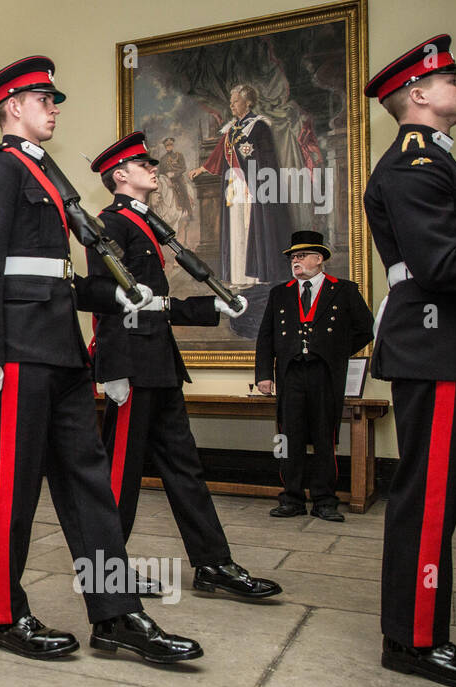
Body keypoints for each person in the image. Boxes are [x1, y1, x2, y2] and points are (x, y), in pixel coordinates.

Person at [0, 55, 200, 664]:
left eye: (54, 99)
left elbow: (55, 276)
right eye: (44, 99)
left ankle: (116, 615)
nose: (54, 107)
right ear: (12, 107)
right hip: (15, 354)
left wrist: (112, 293)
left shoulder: (45, 175)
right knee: (12, 487)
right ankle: (2, 617)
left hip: (60, 352)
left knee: (89, 485)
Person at [89, 131, 281, 601]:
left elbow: (156, 304)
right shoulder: (111, 224)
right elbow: (104, 300)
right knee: (120, 475)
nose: (153, 169)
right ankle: (105, 569)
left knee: (185, 468)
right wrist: (111, 369)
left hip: (159, 363)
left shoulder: (146, 223)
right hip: (132, 367)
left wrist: (214, 309)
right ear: (120, 176)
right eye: (142, 165)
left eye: (151, 163)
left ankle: (213, 563)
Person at [363, 34, 456, 687]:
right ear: (418, 94)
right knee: (431, 497)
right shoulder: (413, 163)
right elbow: (441, 265)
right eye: (453, 79)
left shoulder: (435, 161)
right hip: (437, 344)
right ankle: (412, 639)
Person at [254, 231, 372, 522]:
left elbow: (365, 328)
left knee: (324, 435)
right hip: (290, 373)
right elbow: (266, 336)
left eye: (302, 255)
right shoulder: (280, 293)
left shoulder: (343, 290)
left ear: (319, 259)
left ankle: (324, 499)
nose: (295, 260)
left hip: (324, 373)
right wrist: (264, 375)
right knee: (288, 436)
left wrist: (336, 352)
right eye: (293, 256)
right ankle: (291, 498)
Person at [189, 83, 292, 286]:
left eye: (236, 101)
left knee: (251, 226)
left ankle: (256, 275)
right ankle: (239, 276)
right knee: (235, 228)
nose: (232, 105)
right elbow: (219, 153)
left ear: (249, 102)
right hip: (233, 184)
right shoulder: (231, 129)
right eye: (231, 101)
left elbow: (268, 159)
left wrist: (256, 182)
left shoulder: (259, 126)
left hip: (254, 184)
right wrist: (201, 169)